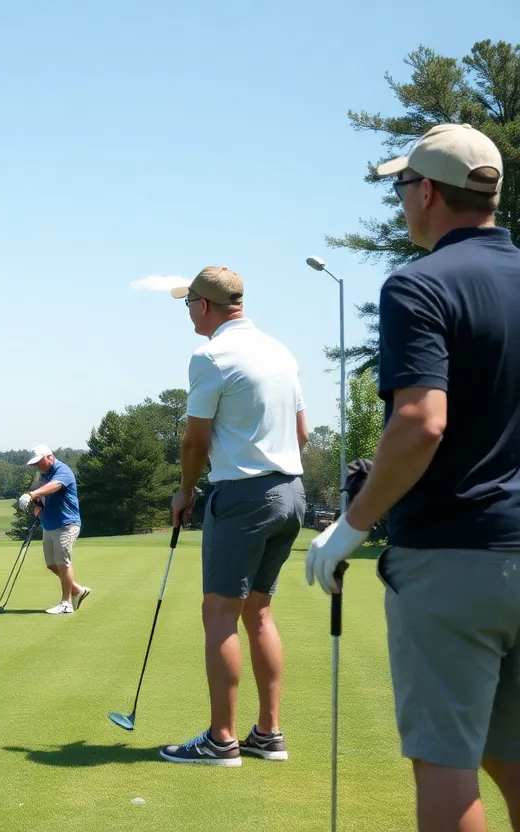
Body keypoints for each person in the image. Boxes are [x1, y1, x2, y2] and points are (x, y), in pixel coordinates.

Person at [306, 123, 520, 830]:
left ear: (426, 191)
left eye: (402, 187)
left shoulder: (418, 286)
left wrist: (353, 526)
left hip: (455, 559)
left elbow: (422, 422)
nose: (401, 201)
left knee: (446, 763)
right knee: (513, 757)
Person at [160, 266, 307, 766]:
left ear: (203, 306)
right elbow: (302, 433)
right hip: (291, 492)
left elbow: (194, 439)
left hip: (243, 496)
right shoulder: (280, 351)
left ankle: (221, 740)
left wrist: (185, 491)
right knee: (258, 612)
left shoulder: (210, 356)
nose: (187, 314)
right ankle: (268, 733)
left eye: (187, 305)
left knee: (219, 614)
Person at [21, 444, 90, 615]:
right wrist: (36, 505)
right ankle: (77, 590)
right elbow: (41, 497)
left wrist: (33, 494)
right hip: (49, 524)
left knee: (63, 563)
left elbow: (53, 487)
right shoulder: (43, 474)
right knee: (52, 565)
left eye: (39, 462)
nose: (37, 466)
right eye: (35, 464)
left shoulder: (62, 471)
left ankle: (66, 603)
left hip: (66, 524)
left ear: (50, 457)